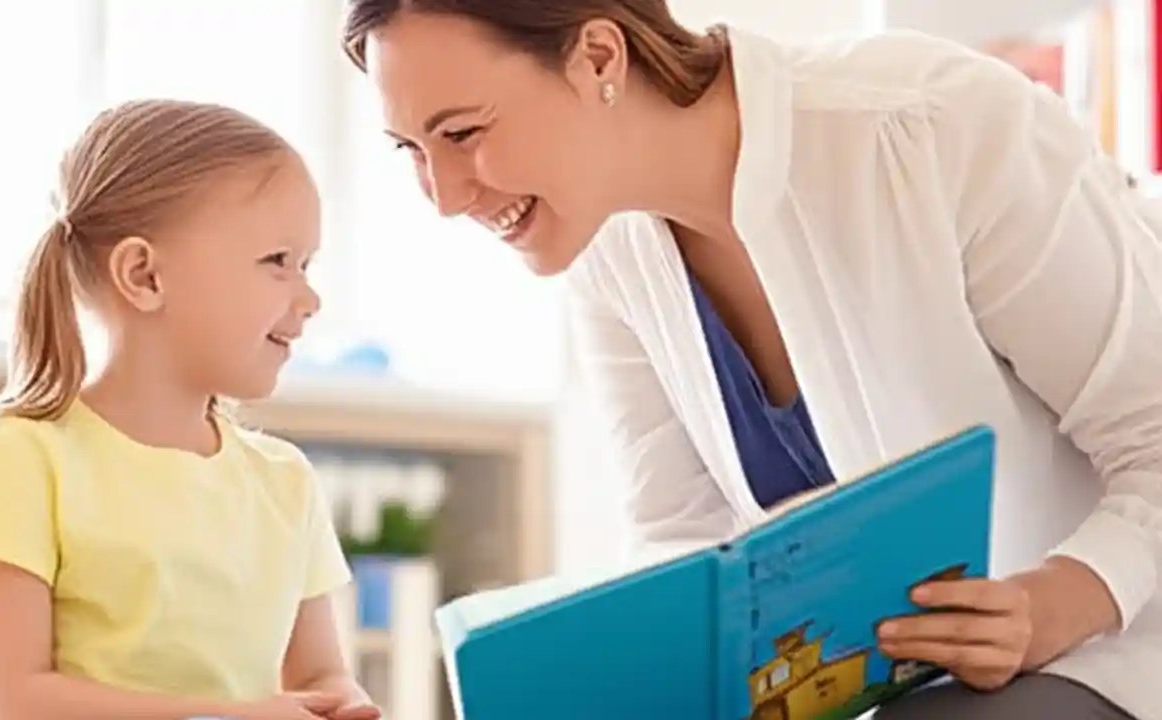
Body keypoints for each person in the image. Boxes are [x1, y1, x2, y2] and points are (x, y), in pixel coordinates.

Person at [340, 1, 1162, 718]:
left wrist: (1046, 606)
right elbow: (680, 540)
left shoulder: (925, 125)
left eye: (463, 133)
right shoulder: (607, 250)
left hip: (1112, 655)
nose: (443, 196)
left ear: (598, 56)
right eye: (409, 149)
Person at [0, 99, 382, 720]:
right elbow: (15, 701)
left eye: (307, 265)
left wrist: (343, 704)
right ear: (144, 275)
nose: (310, 298)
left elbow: (322, 672)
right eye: (278, 262)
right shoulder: (26, 457)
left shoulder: (285, 480)